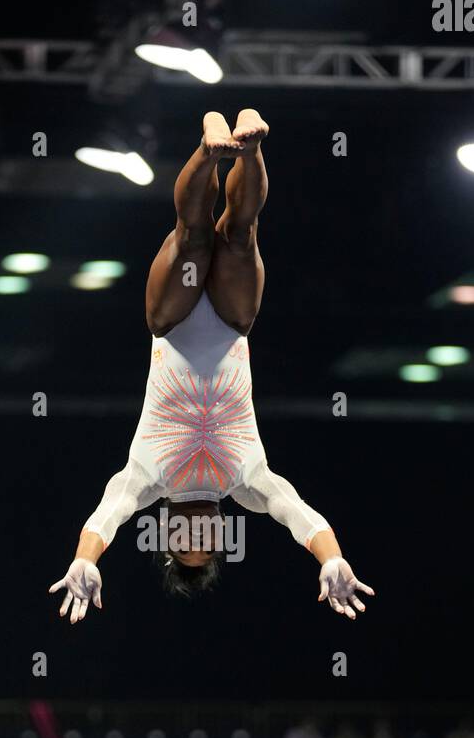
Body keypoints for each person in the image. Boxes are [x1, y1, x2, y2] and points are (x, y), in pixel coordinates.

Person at [51, 110, 374, 620]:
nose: (197, 530)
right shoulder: (246, 482)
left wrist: (85, 561)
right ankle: (250, 145)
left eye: (185, 540)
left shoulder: (147, 478)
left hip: (171, 320)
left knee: (193, 235)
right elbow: (298, 515)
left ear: (166, 536)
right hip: (231, 320)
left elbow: (107, 515)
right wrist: (331, 557)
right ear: (223, 535)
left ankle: (209, 149)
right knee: (241, 234)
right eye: (208, 540)